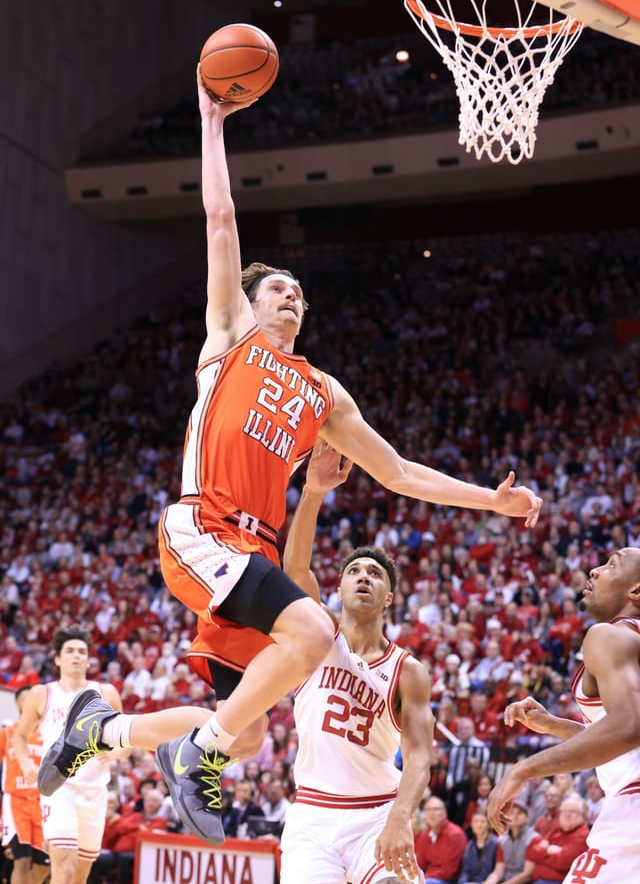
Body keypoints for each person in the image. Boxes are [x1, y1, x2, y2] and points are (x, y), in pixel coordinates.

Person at [39, 68, 542, 848]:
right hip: (204, 529)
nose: (293, 297)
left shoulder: (322, 391)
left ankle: (101, 728)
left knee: (245, 736)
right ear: (253, 299)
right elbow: (218, 216)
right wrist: (212, 120)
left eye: (301, 292)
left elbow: (399, 472)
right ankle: (189, 754)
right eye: (281, 288)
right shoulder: (231, 335)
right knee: (310, 632)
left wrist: (491, 500)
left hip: (252, 553)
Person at [279, 441, 434, 883]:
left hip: (375, 814)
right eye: (354, 571)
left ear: (389, 597)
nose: (363, 576)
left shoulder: (408, 669)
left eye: (375, 573)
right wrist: (312, 492)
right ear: (339, 589)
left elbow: (420, 755)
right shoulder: (318, 635)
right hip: (312, 816)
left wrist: (401, 817)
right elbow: (295, 568)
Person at [488, 546, 640, 882]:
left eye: (612, 566)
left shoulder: (609, 635)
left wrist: (525, 769)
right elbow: (624, 744)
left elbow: (628, 726)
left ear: (637, 591)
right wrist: (554, 725)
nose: (595, 571)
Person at [13, 627, 125, 884]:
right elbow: (20, 736)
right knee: (62, 867)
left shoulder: (106, 692)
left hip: (95, 791)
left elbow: (127, 741)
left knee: (79, 875)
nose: (76, 656)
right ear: (58, 659)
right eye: (70, 651)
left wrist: (117, 753)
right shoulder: (42, 693)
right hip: (59, 790)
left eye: (82, 652)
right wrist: (26, 762)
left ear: (88, 659)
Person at [0, 687, 50, 884]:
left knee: (44, 865)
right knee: (22, 860)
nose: (29, 700)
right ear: (18, 703)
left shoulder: (48, 734)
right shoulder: (8, 732)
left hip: (41, 803)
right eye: (24, 697)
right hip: (16, 803)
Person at [525, 797, 588, 884]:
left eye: (572, 811)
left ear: (582, 815)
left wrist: (543, 852)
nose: (567, 814)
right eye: (564, 811)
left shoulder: (584, 835)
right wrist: (549, 851)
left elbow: (564, 863)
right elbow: (532, 852)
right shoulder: (556, 831)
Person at [414, 797, 468, 884]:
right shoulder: (424, 835)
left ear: (444, 813)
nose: (431, 813)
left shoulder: (455, 835)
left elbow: (450, 871)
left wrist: (424, 879)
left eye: (435, 809)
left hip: (449, 880)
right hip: (428, 879)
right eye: (428, 810)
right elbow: (419, 864)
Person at [484, 800, 538, 884]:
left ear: (528, 817)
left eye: (519, 812)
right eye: (511, 813)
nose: (515, 816)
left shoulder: (534, 839)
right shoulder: (502, 840)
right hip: (505, 880)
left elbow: (527, 874)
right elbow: (498, 871)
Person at [458, 807, 499, 884]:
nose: (478, 825)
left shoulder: (495, 843)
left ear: (489, 824)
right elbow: (465, 871)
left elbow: (495, 871)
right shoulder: (470, 845)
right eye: (475, 821)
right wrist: (463, 882)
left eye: (482, 821)